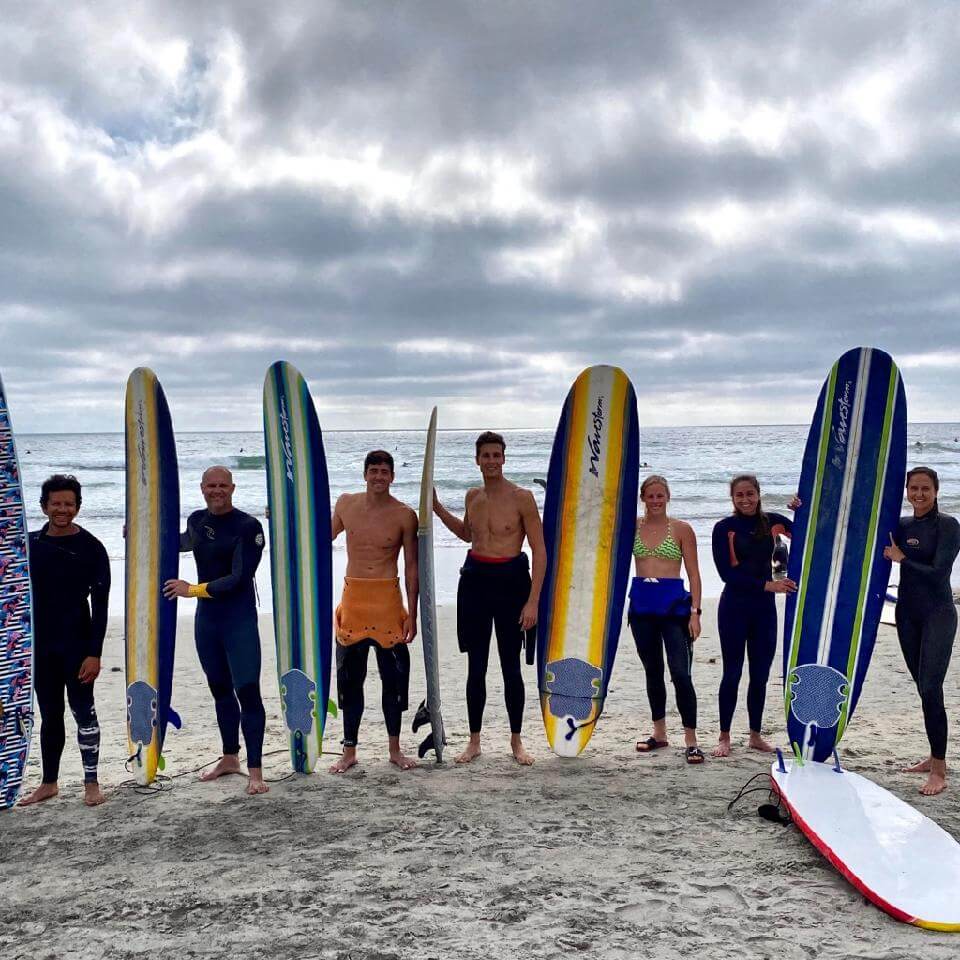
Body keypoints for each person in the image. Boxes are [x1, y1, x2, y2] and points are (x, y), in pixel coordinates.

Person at [433, 431, 546, 765]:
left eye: (497, 455)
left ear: (504, 459)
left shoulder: (522, 497)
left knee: (511, 667)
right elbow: (468, 534)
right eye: (486, 456)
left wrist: (534, 600)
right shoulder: (473, 496)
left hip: (512, 584)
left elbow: (540, 549)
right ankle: (474, 741)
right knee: (475, 667)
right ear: (477, 459)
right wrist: (438, 509)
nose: (492, 461)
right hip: (476, 583)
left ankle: (516, 741)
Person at [163, 466, 269, 796]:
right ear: (202, 488)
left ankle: (256, 771)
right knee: (220, 690)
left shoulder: (248, 527)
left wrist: (191, 590)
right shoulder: (197, 520)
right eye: (211, 485)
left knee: (247, 691)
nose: (217, 490)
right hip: (207, 621)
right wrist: (140, 531)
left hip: (238, 619)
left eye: (223, 485)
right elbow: (180, 543)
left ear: (233, 488)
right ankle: (229, 758)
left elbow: (239, 577)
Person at [21, 475, 110, 807]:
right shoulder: (28, 545)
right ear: (44, 506)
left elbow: (100, 608)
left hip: (77, 645)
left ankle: (92, 784)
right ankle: (49, 783)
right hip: (41, 647)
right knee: (50, 714)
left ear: (77, 507)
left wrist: (94, 654)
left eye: (68, 504)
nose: (62, 509)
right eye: (56, 503)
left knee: (84, 712)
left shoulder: (92, 549)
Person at [329, 450, 419, 773]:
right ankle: (349, 751)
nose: (379, 477)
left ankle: (394, 750)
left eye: (384, 472)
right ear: (364, 474)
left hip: (387, 603)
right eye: (373, 471)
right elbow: (322, 538)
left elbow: (411, 567)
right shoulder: (345, 505)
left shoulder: (404, 515)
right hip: (354, 601)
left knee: (393, 682)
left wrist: (413, 611)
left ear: (392, 477)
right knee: (350, 681)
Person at [883, 466, 960, 796]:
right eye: (913, 488)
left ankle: (939, 769)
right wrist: (801, 507)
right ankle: (932, 756)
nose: (918, 494)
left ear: (936, 490)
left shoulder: (948, 526)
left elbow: (939, 573)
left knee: (931, 687)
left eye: (925, 488)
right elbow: (859, 529)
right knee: (924, 688)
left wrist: (902, 559)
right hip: (907, 615)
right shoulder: (901, 525)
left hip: (938, 614)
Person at [711, 474, 798, 758]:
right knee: (732, 673)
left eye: (750, 494)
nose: (746, 500)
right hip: (734, 608)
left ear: (759, 494)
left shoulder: (773, 521)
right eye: (740, 495)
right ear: (733, 498)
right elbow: (727, 574)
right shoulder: (723, 528)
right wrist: (768, 585)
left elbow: (807, 537)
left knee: (760, 675)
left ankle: (755, 736)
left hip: (764, 611)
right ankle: (724, 736)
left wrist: (800, 509)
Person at [629, 475, 704, 764]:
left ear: (668, 497)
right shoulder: (633, 526)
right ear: (643, 498)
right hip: (642, 608)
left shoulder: (682, 529)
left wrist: (695, 613)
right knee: (652, 671)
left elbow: (695, 574)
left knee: (680, 673)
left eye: (661, 496)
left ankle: (691, 740)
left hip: (674, 609)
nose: (656, 501)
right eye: (650, 496)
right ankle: (659, 734)